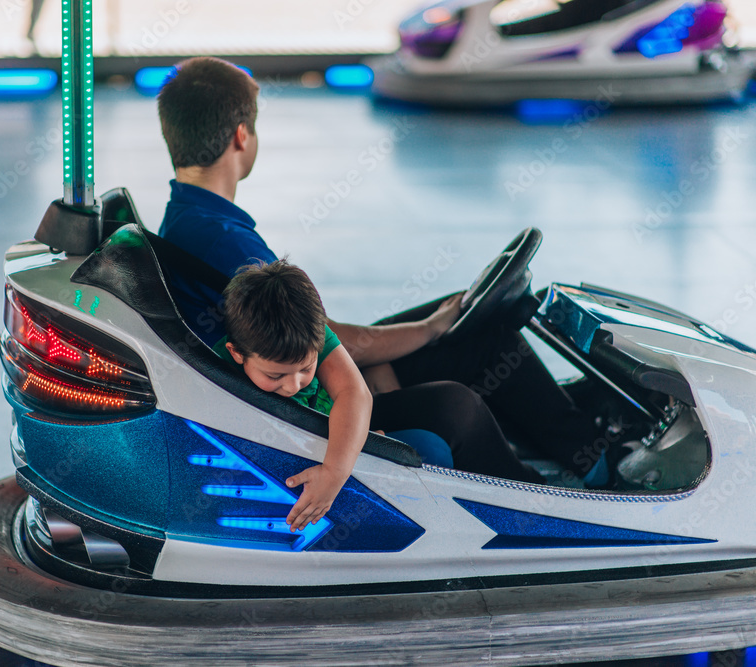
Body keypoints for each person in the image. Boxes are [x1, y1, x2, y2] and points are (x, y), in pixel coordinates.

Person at [156, 57, 612, 486]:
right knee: (483, 349)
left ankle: (569, 449)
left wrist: (430, 328)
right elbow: (321, 338)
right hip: (298, 397)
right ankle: (579, 479)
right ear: (242, 136)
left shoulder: (189, 218)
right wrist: (430, 330)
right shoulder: (224, 241)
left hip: (287, 373)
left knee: (466, 322)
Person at [216, 259, 542, 531]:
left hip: (339, 429)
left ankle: (534, 496)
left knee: (455, 403)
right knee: (431, 447)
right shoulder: (220, 372)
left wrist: (336, 470)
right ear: (237, 353)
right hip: (304, 441)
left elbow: (353, 393)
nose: (293, 384)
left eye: (306, 367)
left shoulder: (307, 332)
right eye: (276, 376)